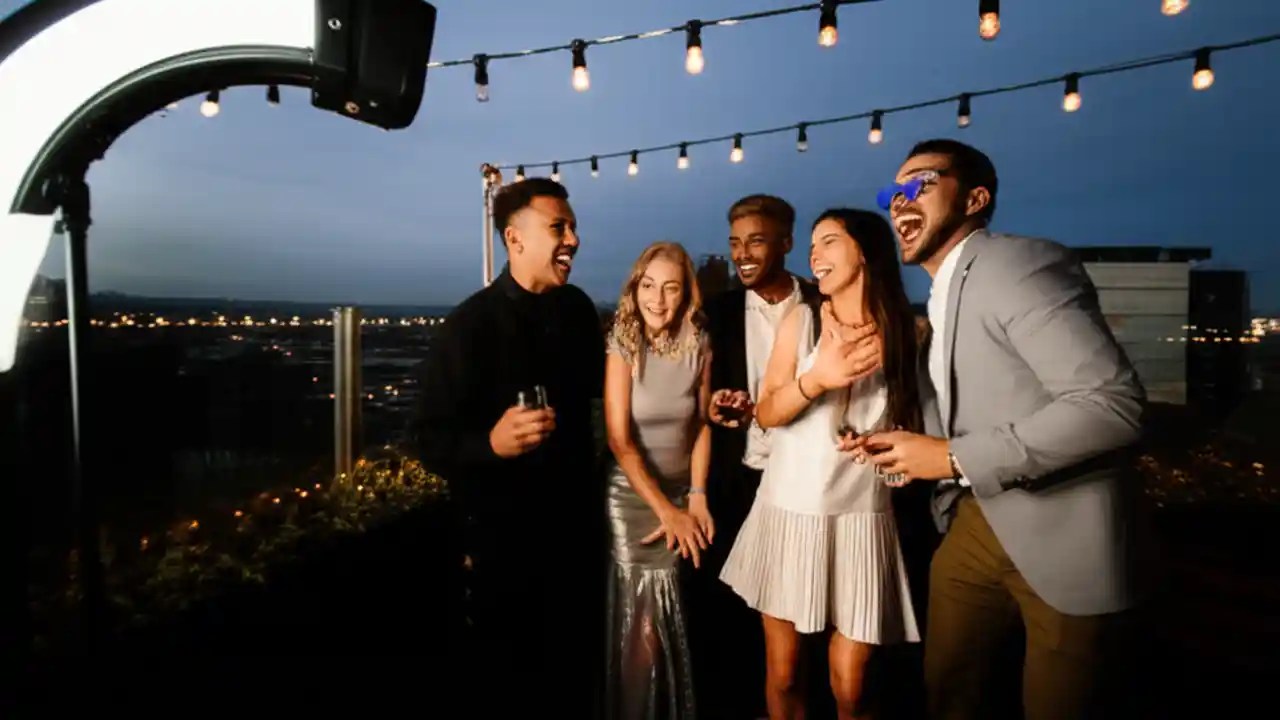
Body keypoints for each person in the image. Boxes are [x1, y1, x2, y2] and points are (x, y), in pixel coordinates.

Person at [855, 138, 1149, 719]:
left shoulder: (1016, 264)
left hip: (1066, 533)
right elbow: (966, 415)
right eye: (894, 191)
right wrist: (901, 451)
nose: (900, 200)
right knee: (947, 695)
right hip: (973, 525)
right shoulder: (936, 302)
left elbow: (1113, 406)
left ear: (974, 199)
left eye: (921, 183)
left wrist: (954, 458)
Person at [413, 177, 606, 717]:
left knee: (575, 680)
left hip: (578, 538)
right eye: (558, 227)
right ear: (513, 239)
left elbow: (610, 395)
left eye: (573, 228)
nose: (572, 239)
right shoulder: (468, 326)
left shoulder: (578, 311)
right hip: (506, 549)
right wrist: (490, 444)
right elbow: (428, 439)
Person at [720, 208, 923, 720]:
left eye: (829, 241)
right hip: (788, 508)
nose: (815, 254)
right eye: (812, 245)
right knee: (784, 674)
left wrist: (886, 449)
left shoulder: (909, 331)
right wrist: (819, 378)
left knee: (852, 683)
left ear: (865, 252)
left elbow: (917, 437)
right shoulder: (802, 319)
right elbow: (766, 412)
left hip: (860, 515)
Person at [692, 194, 821, 719]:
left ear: (787, 243)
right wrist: (714, 404)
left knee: (801, 629)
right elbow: (692, 397)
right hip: (737, 483)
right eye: (735, 243)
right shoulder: (715, 313)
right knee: (732, 625)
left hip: (808, 488)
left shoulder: (823, 303)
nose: (743, 253)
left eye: (757, 240)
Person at [603, 241, 714, 720]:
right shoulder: (623, 342)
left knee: (672, 624)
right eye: (648, 286)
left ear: (687, 294)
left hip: (682, 496)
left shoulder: (701, 342)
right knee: (641, 633)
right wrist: (667, 511)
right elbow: (619, 440)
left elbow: (704, 423)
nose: (658, 299)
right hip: (632, 498)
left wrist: (697, 496)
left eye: (671, 288)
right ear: (635, 288)